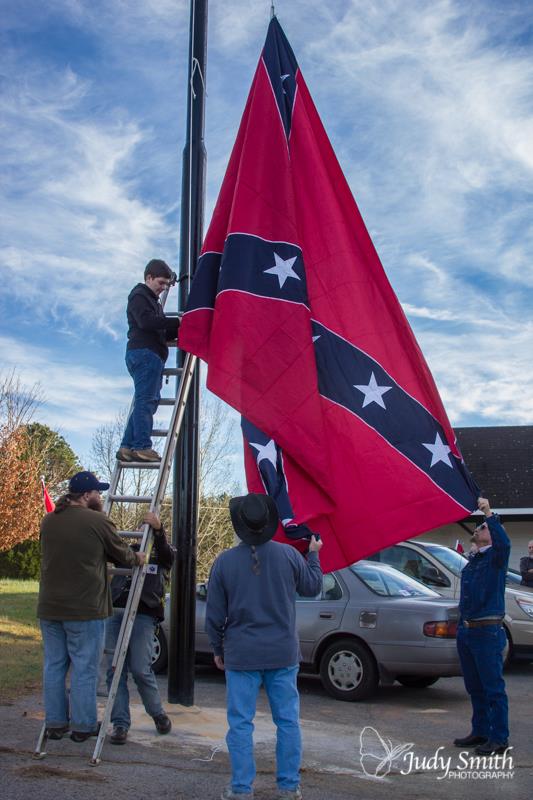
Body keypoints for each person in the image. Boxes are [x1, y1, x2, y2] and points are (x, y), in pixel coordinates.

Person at [206, 493, 323, 800]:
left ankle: (241, 788)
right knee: (287, 721)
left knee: (240, 724)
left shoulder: (224, 562)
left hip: (241, 654)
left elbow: (214, 616)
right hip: (282, 653)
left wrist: (218, 649)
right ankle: (288, 787)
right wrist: (313, 554)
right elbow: (312, 586)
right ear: (268, 523)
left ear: (240, 525)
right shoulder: (289, 555)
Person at [37, 471, 146, 743]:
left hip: (50, 608)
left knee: (54, 666)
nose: (100, 496)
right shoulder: (97, 521)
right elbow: (122, 555)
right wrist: (139, 557)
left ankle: (55, 723)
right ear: (86, 495)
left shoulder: (49, 521)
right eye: (97, 492)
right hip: (84, 608)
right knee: (84, 668)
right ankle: (83, 725)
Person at [105, 511, 175, 744]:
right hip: (116, 611)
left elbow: (168, 557)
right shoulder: (127, 551)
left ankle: (157, 714)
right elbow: (109, 550)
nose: (144, 532)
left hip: (144, 614)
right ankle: (120, 724)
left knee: (140, 669)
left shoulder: (162, 553)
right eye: (142, 527)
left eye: (149, 529)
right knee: (114, 669)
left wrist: (159, 530)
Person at [454, 496, 511, 756]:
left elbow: (504, 543)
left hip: (487, 631)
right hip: (467, 630)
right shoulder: (475, 560)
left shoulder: (496, 558)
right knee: (474, 687)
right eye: (479, 526)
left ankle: (499, 738)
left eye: (483, 527)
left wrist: (489, 512)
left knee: (492, 688)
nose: (478, 528)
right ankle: (481, 730)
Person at [117, 259, 179, 463]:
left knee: (145, 400)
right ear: (149, 278)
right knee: (146, 400)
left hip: (149, 354)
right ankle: (142, 446)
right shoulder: (140, 295)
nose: (163, 288)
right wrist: (177, 321)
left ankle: (127, 446)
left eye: (166, 285)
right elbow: (146, 322)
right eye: (161, 283)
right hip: (145, 353)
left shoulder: (153, 302)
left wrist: (179, 328)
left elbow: (160, 328)